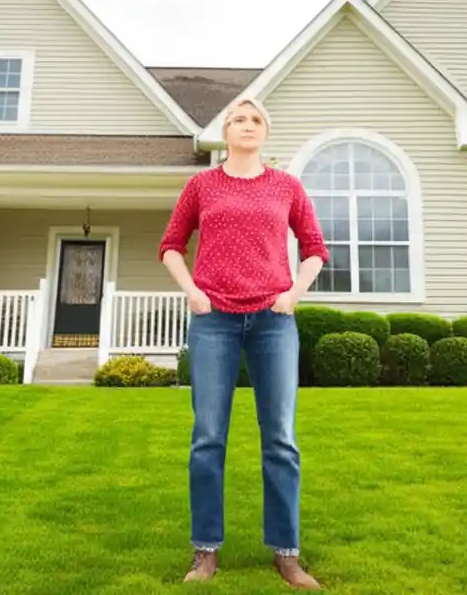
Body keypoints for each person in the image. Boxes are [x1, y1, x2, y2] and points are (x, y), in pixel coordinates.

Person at [158, 98, 329, 590]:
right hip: (214, 322)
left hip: (273, 322)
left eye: (256, 120)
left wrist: (293, 295)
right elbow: (171, 244)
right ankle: (206, 551)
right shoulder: (201, 185)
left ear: (265, 132)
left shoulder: (287, 187)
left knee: (280, 439)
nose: (247, 125)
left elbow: (315, 249)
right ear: (225, 131)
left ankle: (287, 555)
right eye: (239, 119)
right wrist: (192, 291)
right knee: (208, 438)